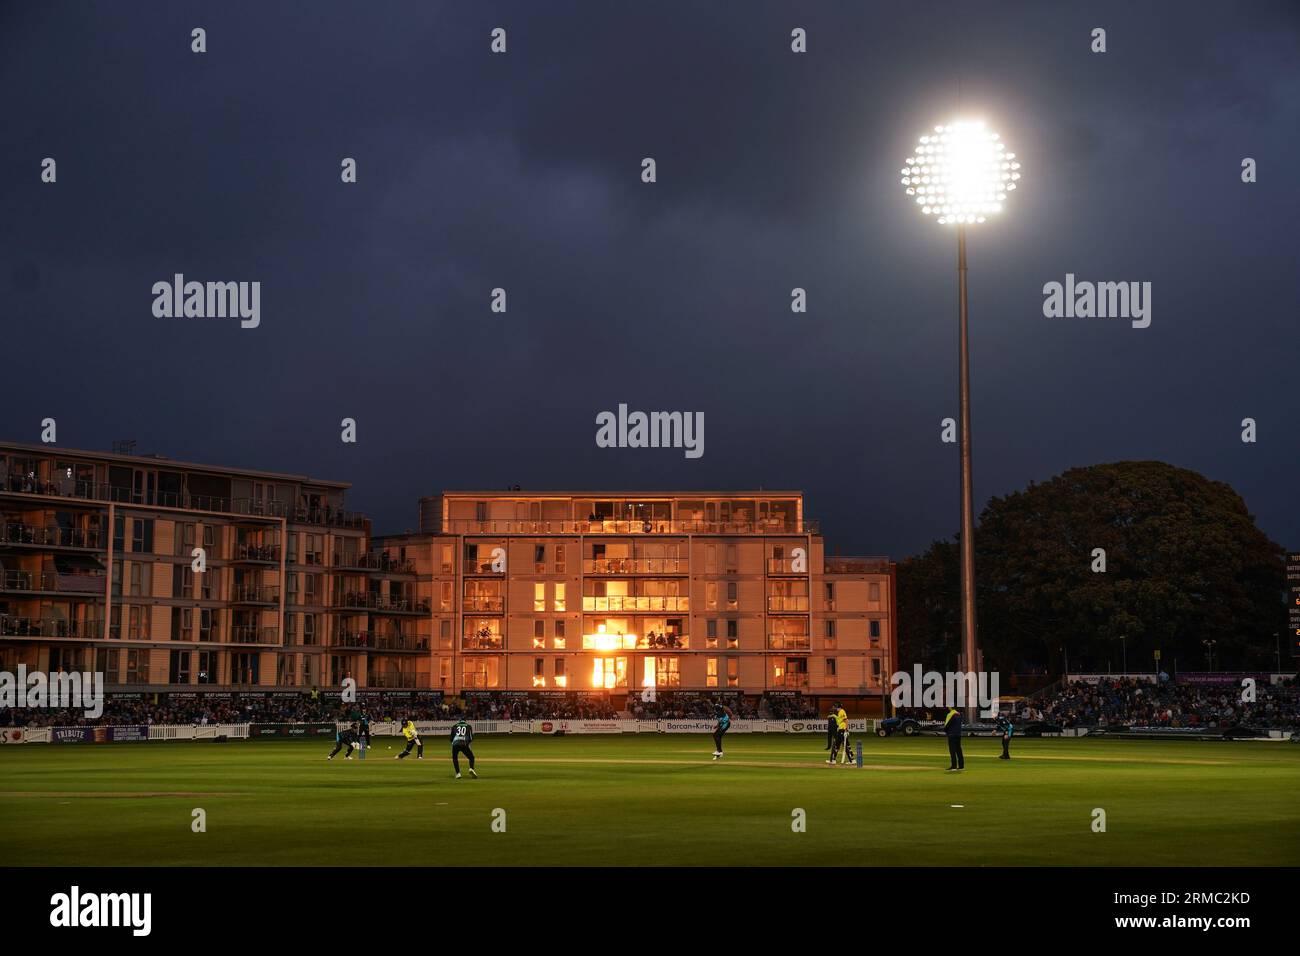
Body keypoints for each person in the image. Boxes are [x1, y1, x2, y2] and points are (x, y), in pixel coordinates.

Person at [944, 706, 964, 771]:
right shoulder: (959, 714)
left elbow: (946, 725)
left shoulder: (950, 714)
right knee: (959, 750)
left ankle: (954, 766)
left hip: (951, 734)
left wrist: (946, 731)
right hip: (958, 734)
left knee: (952, 750)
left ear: (950, 708)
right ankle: (961, 766)